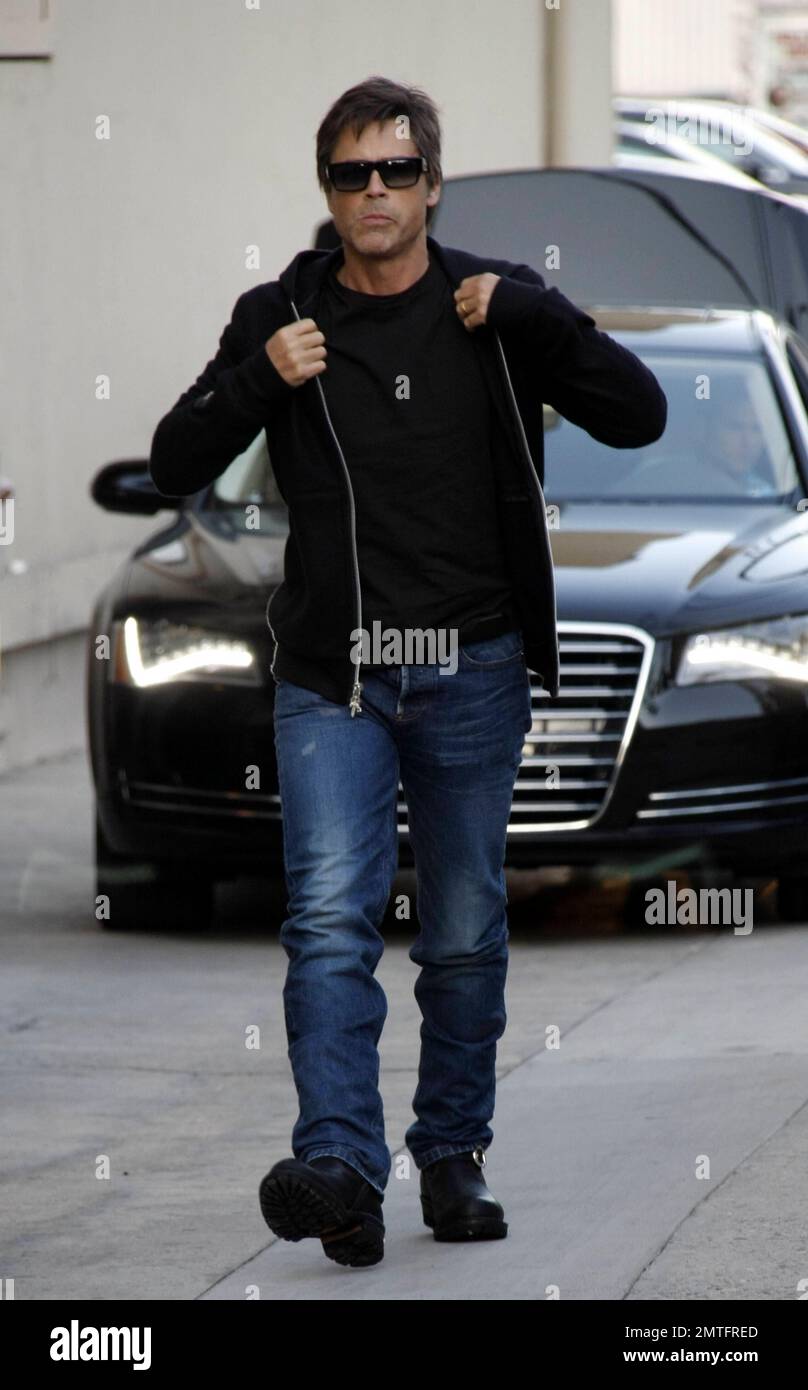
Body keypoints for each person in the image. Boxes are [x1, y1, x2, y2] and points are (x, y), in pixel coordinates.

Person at [149, 76, 667, 1269]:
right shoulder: (276, 313)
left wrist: (537, 318)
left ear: (431, 183)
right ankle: (339, 1167)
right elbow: (181, 457)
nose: (372, 192)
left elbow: (636, 415)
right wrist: (256, 377)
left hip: (470, 662)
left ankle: (451, 1156)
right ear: (327, 191)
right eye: (349, 173)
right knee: (329, 922)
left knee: (465, 930)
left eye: (394, 171)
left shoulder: (493, 309)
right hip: (334, 675)